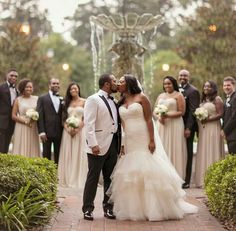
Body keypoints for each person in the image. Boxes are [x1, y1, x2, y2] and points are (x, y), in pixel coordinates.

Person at [108, 74, 198, 221]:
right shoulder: (122, 100)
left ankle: (154, 208)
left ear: (129, 83)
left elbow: (149, 119)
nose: (119, 83)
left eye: (122, 81)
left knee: (148, 167)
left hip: (143, 136)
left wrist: (151, 139)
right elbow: (122, 123)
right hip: (130, 139)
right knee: (131, 171)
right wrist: (123, 143)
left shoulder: (142, 98)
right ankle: (136, 208)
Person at [82, 73, 119, 221]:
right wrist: (93, 144)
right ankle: (87, 209)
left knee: (110, 178)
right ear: (107, 84)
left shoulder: (114, 100)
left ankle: (108, 208)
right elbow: (89, 123)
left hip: (113, 144)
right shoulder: (93, 99)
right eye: (114, 81)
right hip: (97, 145)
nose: (116, 84)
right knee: (93, 177)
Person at [154, 76, 187, 179]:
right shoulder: (160, 96)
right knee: (162, 146)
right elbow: (154, 111)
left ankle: (176, 175)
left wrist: (166, 115)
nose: (167, 85)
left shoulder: (178, 95)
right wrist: (159, 117)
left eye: (169, 83)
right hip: (162, 125)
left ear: (173, 84)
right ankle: (163, 175)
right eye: (165, 84)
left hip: (175, 124)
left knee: (174, 147)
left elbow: (182, 112)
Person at [195, 80, 225, 187]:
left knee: (212, 149)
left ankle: (214, 179)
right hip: (203, 129)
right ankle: (203, 179)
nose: (206, 88)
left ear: (213, 88)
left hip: (213, 128)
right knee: (204, 150)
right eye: (205, 86)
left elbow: (220, 114)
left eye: (209, 86)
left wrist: (208, 119)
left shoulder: (217, 99)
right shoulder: (203, 99)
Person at [58, 83, 87, 189]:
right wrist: (68, 129)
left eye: (75, 88)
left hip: (80, 131)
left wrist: (78, 129)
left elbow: (86, 118)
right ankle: (68, 178)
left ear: (78, 89)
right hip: (68, 132)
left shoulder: (85, 101)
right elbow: (63, 118)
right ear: (69, 91)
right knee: (68, 154)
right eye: (71, 89)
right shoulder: (66, 103)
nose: (73, 90)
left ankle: (78, 178)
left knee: (79, 153)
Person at [178, 69, 200, 189]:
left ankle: (186, 180)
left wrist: (188, 128)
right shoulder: (176, 89)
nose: (183, 77)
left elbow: (193, 111)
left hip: (187, 128)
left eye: (185, 75)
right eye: (181, 75)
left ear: (189, 77)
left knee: (188, 153)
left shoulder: (193, 91)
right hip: (176, 126)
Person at [36, 78, 63, 164]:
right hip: (46, 132)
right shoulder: (42, 98)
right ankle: (46, 174)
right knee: (46, 155)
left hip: (59, 132)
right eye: (54, 83)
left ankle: (57, 174)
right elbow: (40, 116)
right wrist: (42, 132)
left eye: (57, 83)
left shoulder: (62, 99)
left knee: (59, 154)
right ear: (49, 85)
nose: (56, 85)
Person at [11, 79, 40, 157]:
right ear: (22, 88)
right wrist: (25, 121)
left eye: (30, 87)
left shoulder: (37, 99)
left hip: (33, 127)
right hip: (21, 126)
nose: (29, 89)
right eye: (27, 87)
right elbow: (13, 116)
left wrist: (34, 118)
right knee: (21, 146)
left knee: (33, 145)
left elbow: (39, 113)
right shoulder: (18, 100)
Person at [0, 69, 18, 153]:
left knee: (6, 146)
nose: (14, 77)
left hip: (11, 123)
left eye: (15, 76)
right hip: (1, 122)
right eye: (11, 75)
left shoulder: (17, 91)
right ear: (7, 76)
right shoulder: (1, 88)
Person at [222, 76, 236, 154]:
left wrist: (225, 130)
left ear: (234, 85)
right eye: (224, 85)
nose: (226, 87)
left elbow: (234, 117)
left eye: (228, 85)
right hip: (231, 136)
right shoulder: (227, 99)